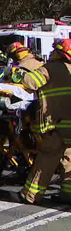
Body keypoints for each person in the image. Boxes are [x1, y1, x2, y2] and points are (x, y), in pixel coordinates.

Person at [8, 39, 71, 204]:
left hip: (55, 123)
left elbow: (30, 82)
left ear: (58, 53)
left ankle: (30, 195)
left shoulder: (50, 68)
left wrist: (19, 74)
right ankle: (68, 193)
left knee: (47, 158)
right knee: (69, 157)